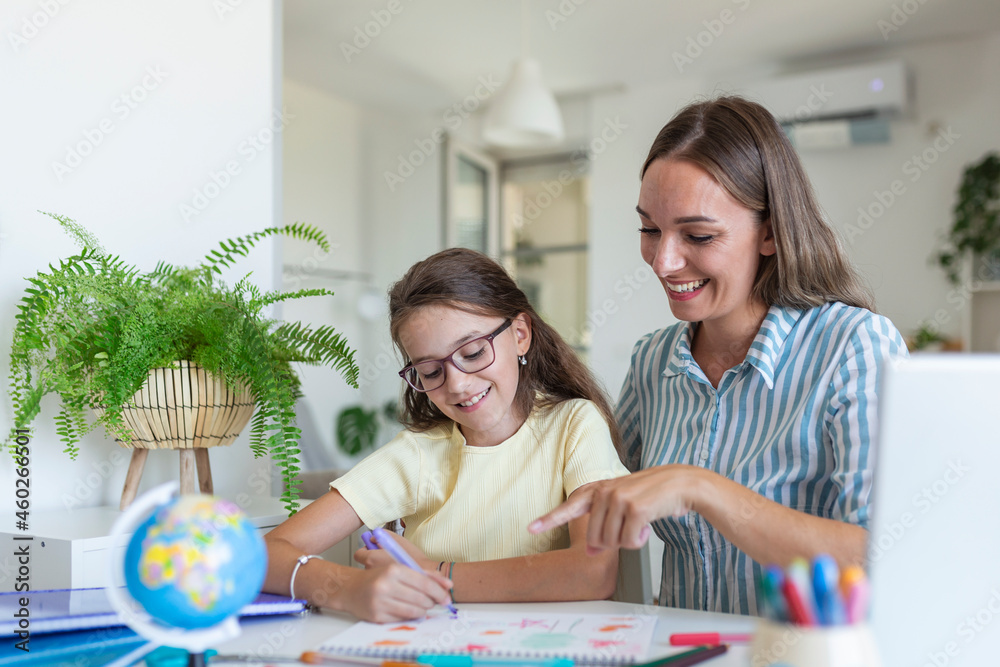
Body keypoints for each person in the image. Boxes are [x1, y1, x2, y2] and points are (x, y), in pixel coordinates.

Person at [529, 95, 908, 615]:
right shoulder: (653, 362)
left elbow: (885, 554)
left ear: (771, 233)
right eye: (649, 229)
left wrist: (700, 488)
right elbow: (599, 506)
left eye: (698, 234)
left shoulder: (854, 347)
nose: (663, 261)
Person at [263, 247, 629, 622]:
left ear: (520, 334)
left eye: (472, 353)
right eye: (432, 372)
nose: (457, 384)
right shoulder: (416, 455)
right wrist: (348, 587)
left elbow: (592, 572)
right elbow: (266, 554)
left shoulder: (574, 425)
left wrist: (435, 574)